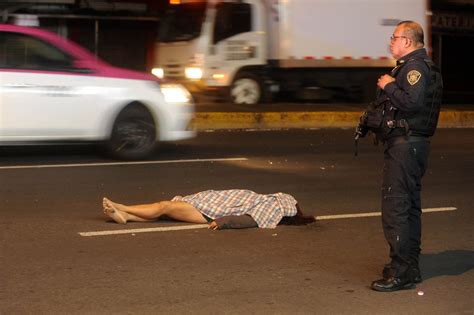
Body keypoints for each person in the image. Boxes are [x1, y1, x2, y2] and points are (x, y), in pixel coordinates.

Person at [355, 21, 443, 292]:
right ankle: (409, 267)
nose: (390, 42)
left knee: (396, 208)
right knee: (410, 208)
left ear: (407, 41)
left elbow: (412, 102)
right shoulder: (417, 66)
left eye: (394, 38)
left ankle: (401, 271)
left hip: (406, 146)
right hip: (412, 145)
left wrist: (389, 84)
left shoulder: (414, 68)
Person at [102, 189, 315, 230]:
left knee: (164, 206)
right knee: (165, 211)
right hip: (207, 205)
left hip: (208, 213)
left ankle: (121, 206)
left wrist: (223, 223)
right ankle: (126, 216)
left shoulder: (273, 206)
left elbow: (250, 220)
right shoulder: (265, 200)